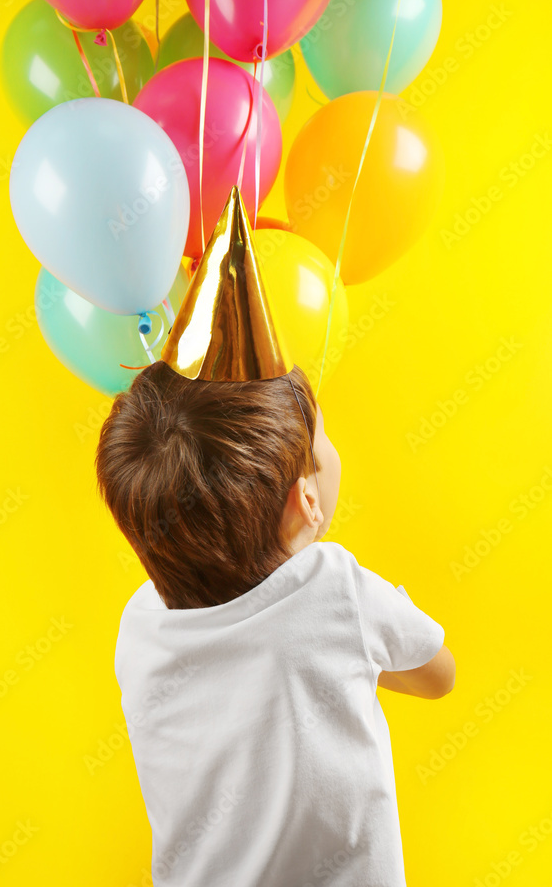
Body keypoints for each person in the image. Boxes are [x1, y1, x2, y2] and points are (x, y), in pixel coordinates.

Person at [95, 188, 455, 886]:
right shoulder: (336, 591)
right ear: (305, 504)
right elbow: (438, 675)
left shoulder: (138, 627)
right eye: (320, 438)